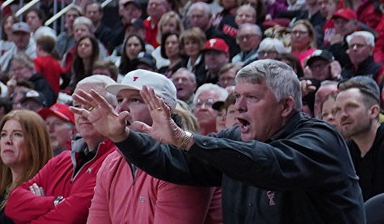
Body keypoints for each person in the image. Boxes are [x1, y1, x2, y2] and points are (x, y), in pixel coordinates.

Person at [76, 59, 362, 224]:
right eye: (237, 96)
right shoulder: (234, 140)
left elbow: (267, 163)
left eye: (252, 98)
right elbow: (172, 163)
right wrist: (123, 137)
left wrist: (186, 139)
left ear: (286, 106)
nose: (239, 107)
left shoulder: (321, 140)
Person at [78, 71, 217, 224]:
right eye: (119, 100)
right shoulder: (111, 162)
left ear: (164, 110)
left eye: (135, 100)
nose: (121, 109)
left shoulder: (181, 162)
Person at [9, 76, 114, 224]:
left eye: (90, 106)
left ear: (113, 110)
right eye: (77, 106)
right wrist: (56, 202)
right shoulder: (61, 160)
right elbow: (13, 204)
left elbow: (72, 217)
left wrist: (37, 205)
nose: (82, 113)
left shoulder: (115, 160)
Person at [0, 111, 52, 224]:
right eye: (3, 134)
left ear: (36, 144)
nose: (8, 141)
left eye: (17, 134)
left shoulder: (45, 193)